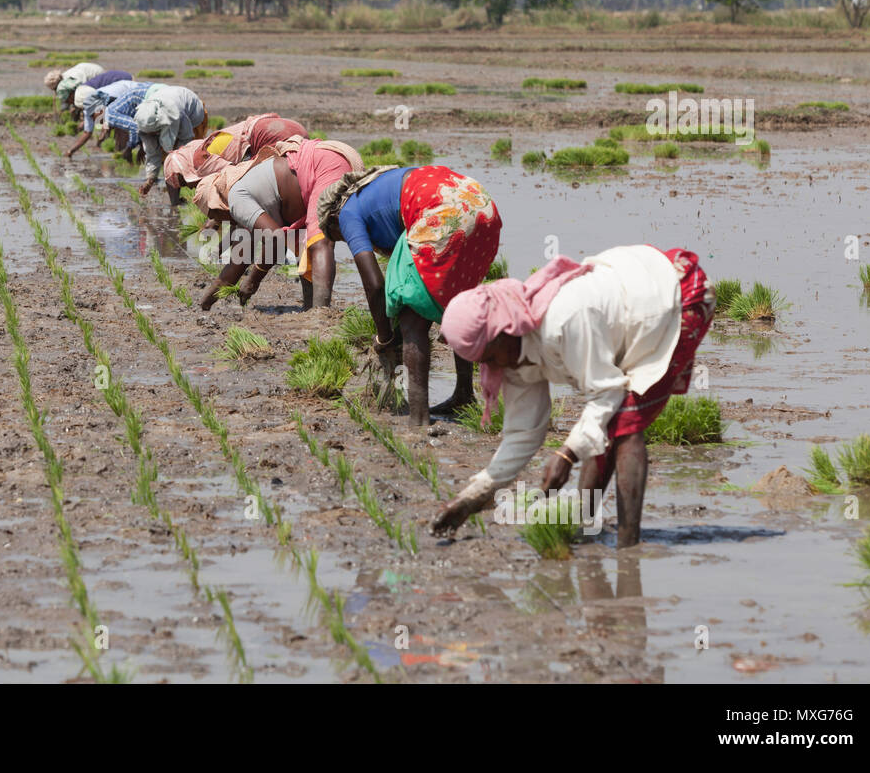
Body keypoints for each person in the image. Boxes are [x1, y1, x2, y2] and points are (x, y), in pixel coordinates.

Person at [429, 245, 715, 547]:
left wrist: (567, 454)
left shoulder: (562, 321)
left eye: (489, 356)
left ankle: (628, 546)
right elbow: (522, 434)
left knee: (626, 424)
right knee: (604, 424)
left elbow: (607, 390)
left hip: (674, 294)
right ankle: (584, 528)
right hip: (628, 304)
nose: (491, 368)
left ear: (504, 330)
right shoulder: (512, 357)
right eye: (482, 362)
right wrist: (469, 500)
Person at [316, 165, 502, 425]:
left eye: (338, 237)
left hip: (443, 211)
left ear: (333, 219)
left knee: (410, 315)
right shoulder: (379, 187)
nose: (347, 240)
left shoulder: (346, 212)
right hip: (482, 208)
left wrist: (384, 336)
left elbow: (374, 284)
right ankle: (463, 394)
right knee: (457, 304)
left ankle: (419, 420)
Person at [196, 138, 362, 311]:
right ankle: (311, 309)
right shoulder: (248, 207)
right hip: (331, 161)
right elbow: (238, 263)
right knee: (306, 248)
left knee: (319, 242)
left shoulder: (237, 200)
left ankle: (320, 316)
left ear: (218, 205)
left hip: (326, 166)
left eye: (213, 214)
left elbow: (277, 239)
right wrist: (205, 304)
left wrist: (253, 280)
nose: (217, 221)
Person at [162, 113, 309, 205]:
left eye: (184, 182)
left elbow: (235, 180)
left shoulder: (201, 160)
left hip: (272, 135)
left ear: (185, 170)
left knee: (274, 196)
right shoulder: (198, 147)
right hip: (289, 127)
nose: (189, 187)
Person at [133, 84, 208, 196]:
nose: (152, 135)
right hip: (171, 110)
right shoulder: (145, 116)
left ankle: (199, 193)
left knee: (192, 157)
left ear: (159, 125)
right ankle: (175, 195)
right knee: (167, 157)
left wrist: (176, 164)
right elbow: (152, 152)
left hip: (192, 114)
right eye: (150, 133)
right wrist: (150, 179)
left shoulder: (175, 114)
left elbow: (187, 141)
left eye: (153, 133)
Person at [66, 76, 136, 158]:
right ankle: (121, 154)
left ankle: (124, 155)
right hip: (123, 95)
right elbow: (87, 132)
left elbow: (120, 124)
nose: (85, 111)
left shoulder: (105, 98)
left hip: (132, 92)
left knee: (121, 128)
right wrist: (70, 151)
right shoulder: (89, 108)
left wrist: (105, 130)